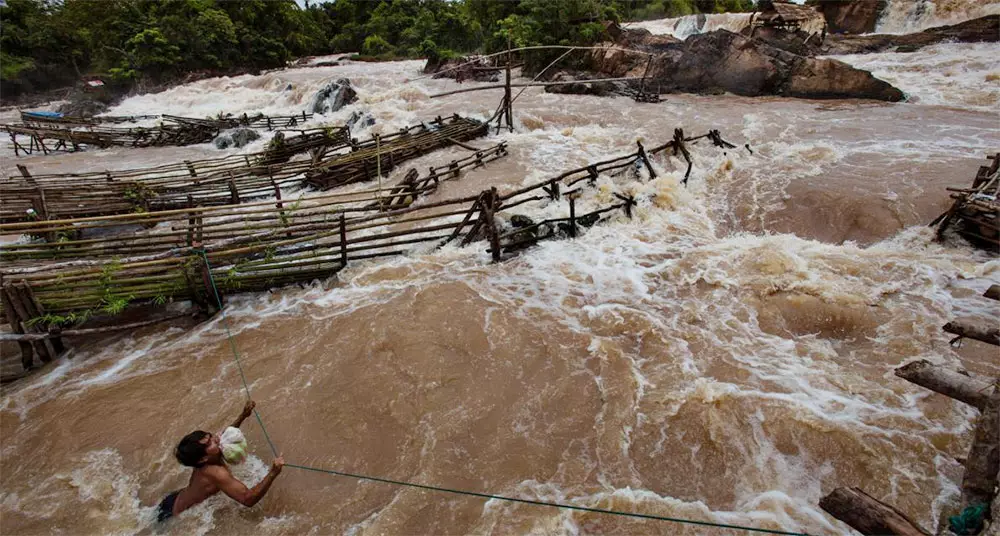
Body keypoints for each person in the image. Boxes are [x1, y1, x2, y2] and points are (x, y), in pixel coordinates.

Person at [157, 400, 284, 522]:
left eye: (210, 436)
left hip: (175, 498)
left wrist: (243, 415)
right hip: (175, 513)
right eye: (209, 442)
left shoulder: (206, 456)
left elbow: (228, 436)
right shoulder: (216, 472)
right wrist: (273, 472)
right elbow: (248, 499)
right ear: (203, 458)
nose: (216, 439)